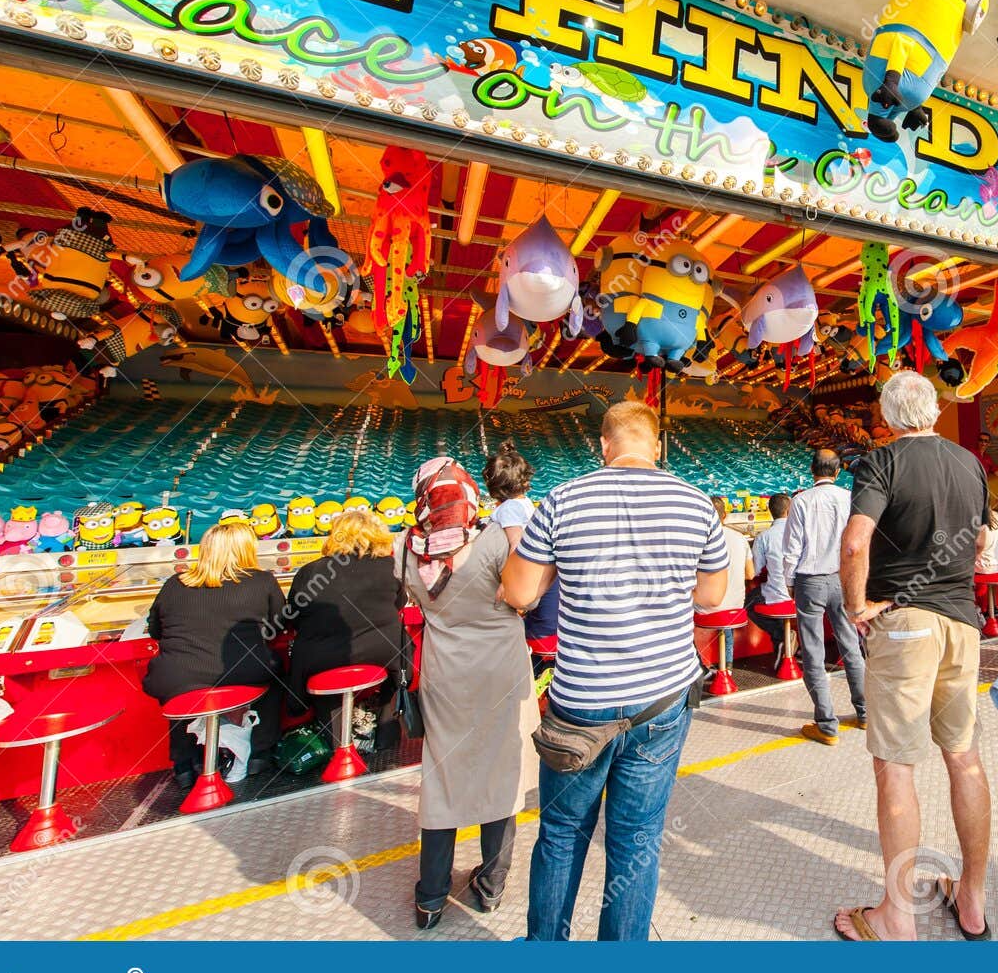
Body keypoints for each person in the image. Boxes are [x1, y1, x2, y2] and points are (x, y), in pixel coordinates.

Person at [502, 401, 728, 941]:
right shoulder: (696, 503)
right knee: (636, 841)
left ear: (603, 445)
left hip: (581, 703)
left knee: (561, 833)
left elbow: (518, 593)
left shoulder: (562, 499)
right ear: (657, 446)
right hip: (661, 701)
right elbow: (711, 596)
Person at [835, 371, 991, 941]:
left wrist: (857, 606)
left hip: (904, 624)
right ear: (933, 410)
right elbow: (980, 540)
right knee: (963, 757)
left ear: (887, 416)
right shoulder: (969, 462)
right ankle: (971, 900)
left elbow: (855, 541)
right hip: (962, 622)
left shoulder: (881, 462)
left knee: (896, 766)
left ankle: (896, 917)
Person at [397, 457, 538, 931]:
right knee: (501, 771)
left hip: (444, 675)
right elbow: (524, 598)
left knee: (443, 777)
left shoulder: (404, 548)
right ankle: (491, 884)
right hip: (500, 672)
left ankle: (431, 895)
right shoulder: (495, 540)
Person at [143, 515, 294, 787]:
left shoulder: (175, 584)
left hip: (175, 676)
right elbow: (281, 624)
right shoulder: (261, 581)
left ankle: (184, 765)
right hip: (243, 670)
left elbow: (155, 629)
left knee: (183, 688)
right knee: (275, 676)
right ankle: (259, 753)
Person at [283, 508, 407, 750]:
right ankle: (386, 733)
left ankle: (338, 745)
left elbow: (294, 617)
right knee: (401, 665)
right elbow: (399, 603)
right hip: (383, 651)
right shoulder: (390, 566)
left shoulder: (311, 571)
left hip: (322, 657)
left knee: (322, 680)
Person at [779, 448, 865, 744]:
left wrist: (789, 581)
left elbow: (792, 547)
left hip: (810, 580)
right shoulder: (849, 498)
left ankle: (827, 724)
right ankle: (865, 713)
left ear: (811, 470)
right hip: (843, 578)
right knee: (851, 645)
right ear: (838, 472)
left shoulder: (801, 501)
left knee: (813, 651)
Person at [484, 441, 560, 644]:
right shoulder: (524, 503)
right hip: (544, 570)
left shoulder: (509, 508)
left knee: (540, 627)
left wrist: (508, 581)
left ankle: (537, 652)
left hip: (528, 571)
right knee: (545, 619)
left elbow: (516, 542)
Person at [747, 493, 791, 644]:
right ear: (789, 510)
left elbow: (755, 571)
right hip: (803, 595)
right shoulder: (802, 532)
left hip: (777, 594)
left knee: (747, 603)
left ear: (770, 511)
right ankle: (786, 642)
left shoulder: (764, 537)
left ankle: (781, 636)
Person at [707, 496, 754, 614]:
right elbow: (750, 574)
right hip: (736, 607)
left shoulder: (700, 539)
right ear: (724, 515)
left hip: (707, 610)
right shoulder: (740, 537)